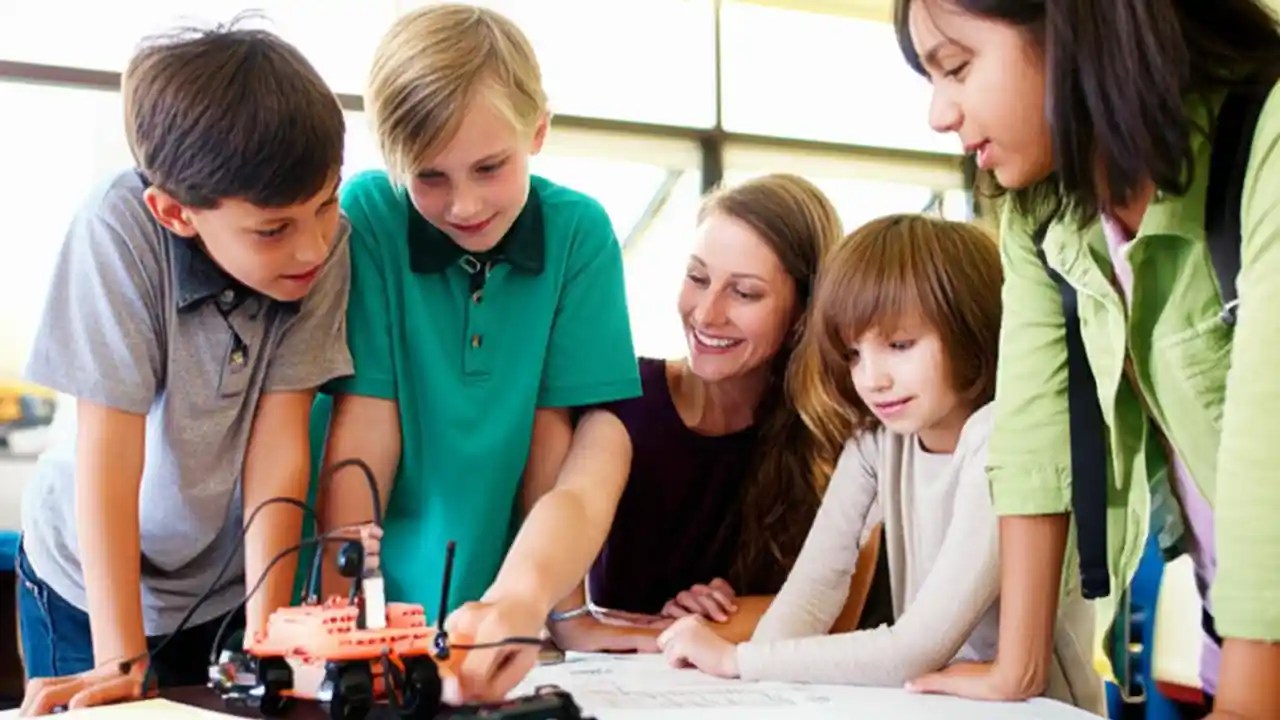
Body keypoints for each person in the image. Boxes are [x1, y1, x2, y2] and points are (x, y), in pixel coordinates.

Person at [895, 2, 1280, 719]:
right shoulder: (1044, 214)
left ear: (1074, 25)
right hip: (1233, 634)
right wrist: (1018, 666)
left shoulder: (1268, 141)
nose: (939, 114)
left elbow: (1274, 454)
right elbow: (1033, 432)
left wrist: (1250, 704)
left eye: (957, 67)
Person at [439, 173, 899, 703]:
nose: (706, 313)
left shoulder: (839, 430)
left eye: (744, 292)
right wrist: (517, 598)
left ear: (804, 312)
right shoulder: (634, 395)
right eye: (698, 278)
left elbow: (838, 616)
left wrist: (714, 624)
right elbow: (577, 500)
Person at [16, 21, 351, 716]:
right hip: (88, 583)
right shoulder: (117, 230)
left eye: (326, 204)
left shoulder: (321, 245)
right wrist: (120, 657)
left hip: (220, 583)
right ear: (176, 214)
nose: (313, 245)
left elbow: (280, 440)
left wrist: (268, 628)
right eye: (273, 229)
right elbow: (109, 453)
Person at [655, 214, 1104, 713]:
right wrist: (753, 667)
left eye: (899, 346)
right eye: (853, 354)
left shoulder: (1003, 434)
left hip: (1037, 710)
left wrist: (737, 660)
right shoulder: (878, 439)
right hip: (931, 704)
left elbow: (916, 647)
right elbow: (810, 596)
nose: (872, 379)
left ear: (970, 326)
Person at [314, 2, 640, 626]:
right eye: (429, 176)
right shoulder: (372, 215)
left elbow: (553, 439)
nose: (464, 205)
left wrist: (558, 612)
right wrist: (341, 616)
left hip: (496, 593)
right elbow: (363, 428)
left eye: (490, 168)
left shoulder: (581, 235)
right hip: (369, 585)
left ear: (538, 132)